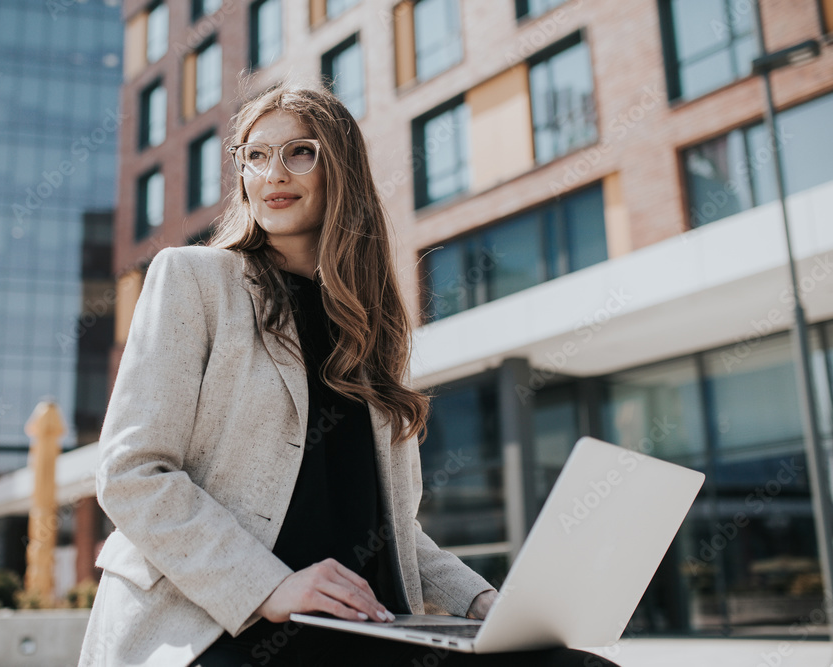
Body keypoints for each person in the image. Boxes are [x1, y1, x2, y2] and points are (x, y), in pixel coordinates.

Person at [78, 82, 621, 667]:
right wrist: (269, 587)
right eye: (255, 156)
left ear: (342, 168)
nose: (272, 173)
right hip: (221, 625)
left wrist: (484, 601)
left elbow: (396, 532)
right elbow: (133, 474)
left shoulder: (371, 330)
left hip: (370, 628)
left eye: (299, 152)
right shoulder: (195, 280)